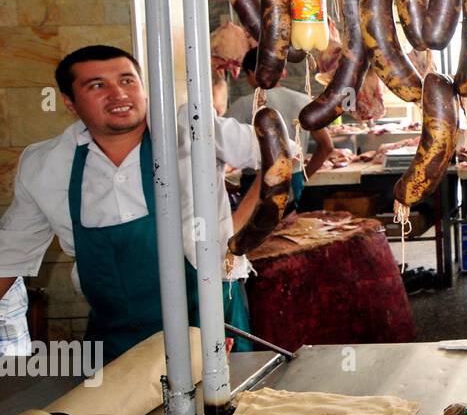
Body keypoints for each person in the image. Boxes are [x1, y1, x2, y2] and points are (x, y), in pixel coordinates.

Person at [0, 46, 259, 361]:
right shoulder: (46, 165)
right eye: (97, 85)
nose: (118, 93)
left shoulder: (191, 129)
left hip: (210, 328)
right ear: (69, 102)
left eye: (127, 81)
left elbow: (283, 157)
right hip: (119, 344)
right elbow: (8, 259)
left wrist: (238, 228)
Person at [228, 48, 333, 200]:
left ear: (252, 73)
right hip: (294, 179)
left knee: (258, 223)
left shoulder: (243, 105)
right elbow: (326, 147)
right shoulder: (304, 101)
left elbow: (215, 144)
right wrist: (303, 177)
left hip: (256, 185)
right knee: (291, 223)